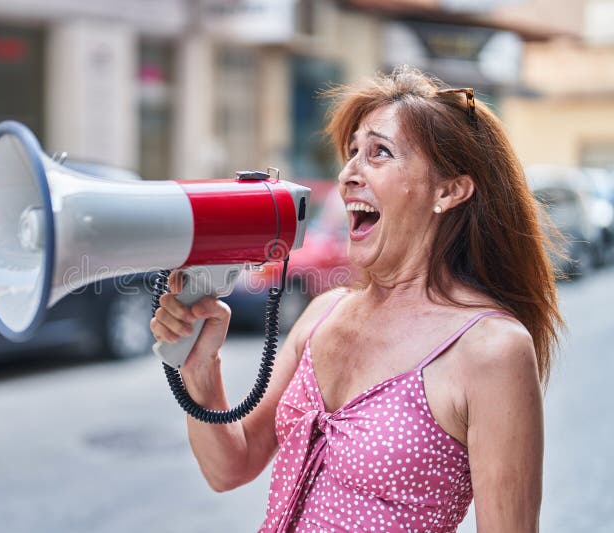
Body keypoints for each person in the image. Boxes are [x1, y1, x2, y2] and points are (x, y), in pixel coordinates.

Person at [150, 66, 563, 533]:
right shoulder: (322, 314)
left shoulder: (490, 348)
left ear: (449, 190)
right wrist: (201, 369)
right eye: (351, 154)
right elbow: (230, 467)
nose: (348, 174)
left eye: (379, 152)